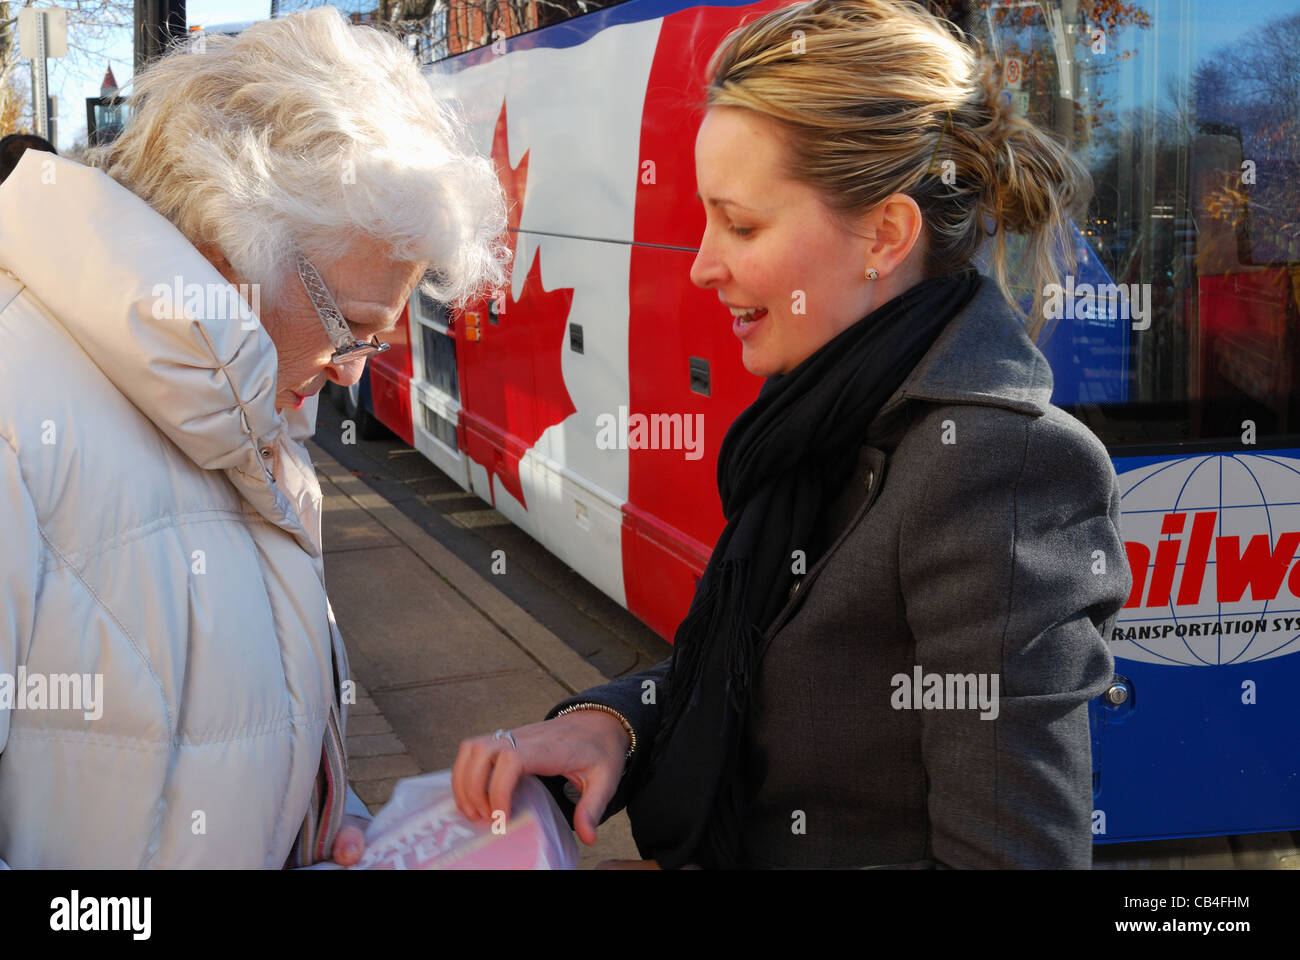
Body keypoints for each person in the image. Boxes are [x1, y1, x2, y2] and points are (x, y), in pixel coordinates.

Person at [452, 0, 1132, 869]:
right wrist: (613, 724)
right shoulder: (829, 412)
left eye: (741, 224)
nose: (702, 264)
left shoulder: (1000, 467)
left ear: (884, 235)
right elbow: (759, 677)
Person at [0, 9, 506, 868]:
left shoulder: (233, 409)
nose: (353, 372)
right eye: (352, 328)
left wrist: (320, 816)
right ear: (236, 241)